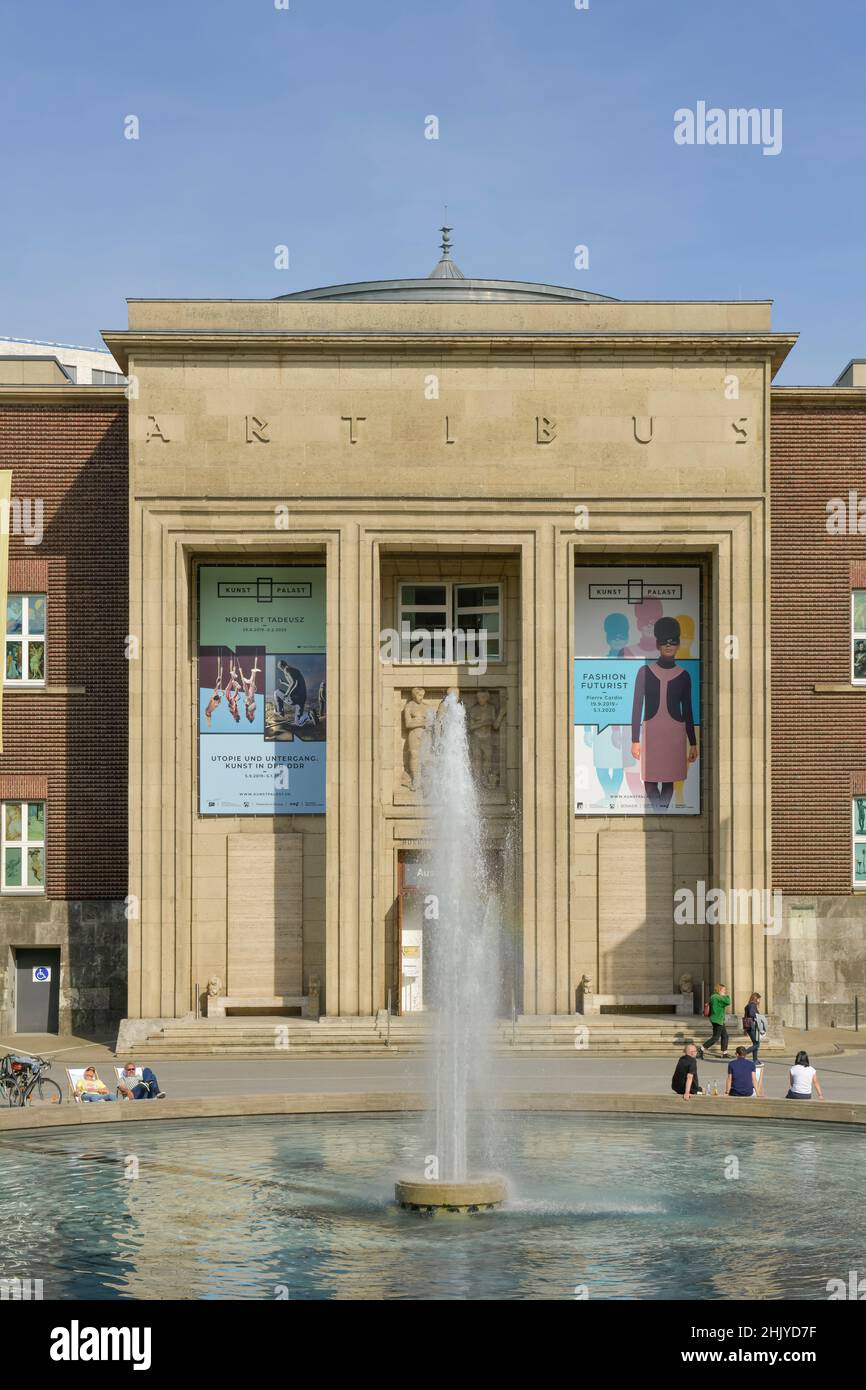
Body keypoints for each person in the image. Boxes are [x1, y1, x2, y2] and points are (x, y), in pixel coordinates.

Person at [630, 616, 698, 812]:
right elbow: (636, 708)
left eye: (673, 641)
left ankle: (660, 813)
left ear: (677, 644)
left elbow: (688, 710)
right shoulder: (644, 672)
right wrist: (635, 739)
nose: (669, 645)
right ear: (658, 644)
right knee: (649, 780)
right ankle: (660, 812)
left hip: (675, 737)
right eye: (664, 642)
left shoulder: (684, 676)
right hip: (651, 736)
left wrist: (692, 742)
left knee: (669, 780)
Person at [697, 983, 731, 1058]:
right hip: (717, 1019)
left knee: (725, 1036)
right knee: (715, 1037)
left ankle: (724, 1053)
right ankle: (701, 1049)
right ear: (719, 989)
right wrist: (726, 996)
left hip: (718, 1019)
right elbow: (728, 1002)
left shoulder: (714, 996)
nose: (725, 991)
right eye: (724, 989)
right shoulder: (717, 997)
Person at [742, 991, 764, 1063]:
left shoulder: (748, 1005)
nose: (759, 1000)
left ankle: (755, 1060)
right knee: (757, 1044)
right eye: (759, 999)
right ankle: (744, 1052)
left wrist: (745, 1029)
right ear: (756, 998)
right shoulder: (752, 1005)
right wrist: (758, 1017)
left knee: (755, 1043)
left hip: (748, 1026)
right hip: (752, 1026)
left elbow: (746, 1016)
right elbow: (752, 1014)